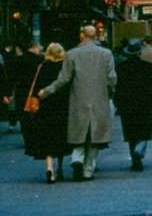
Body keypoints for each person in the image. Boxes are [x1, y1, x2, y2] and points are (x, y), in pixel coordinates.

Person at [38, 25, 117, 182]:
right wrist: (109, 93)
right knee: (95, 137)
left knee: (79, 133)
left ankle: (77, 158)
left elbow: (64, 79)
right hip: (99, 98)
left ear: (82, 36)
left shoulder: (72, 54)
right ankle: (88, 170)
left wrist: (46, 91)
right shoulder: (106, 54)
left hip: (78, 99)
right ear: (95, 37)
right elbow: (112, 77)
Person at [23, 43, 71, 184]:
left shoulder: (42, 67)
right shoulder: (65, 68)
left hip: (45, 108)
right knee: (61, 137)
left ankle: (50, 168)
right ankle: (61, 167)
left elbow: (36, 88)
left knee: (48, 139)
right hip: (63, 106)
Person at [115, 39, 152, 172]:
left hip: (127, 105)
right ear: (139, 53)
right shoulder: (149, 67)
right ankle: (139, 151)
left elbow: (117, 88)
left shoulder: (121, 68)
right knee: (144, 131)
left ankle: (134, 155)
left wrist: (118, 103)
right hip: (145, 104)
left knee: (131, 133)